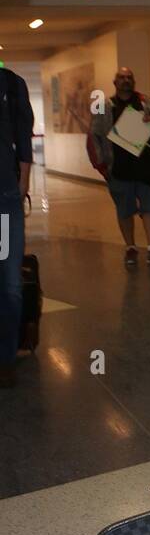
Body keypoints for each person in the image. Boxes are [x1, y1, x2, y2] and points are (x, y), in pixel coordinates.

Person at [87, 67, 150, 267]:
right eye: (121, 78)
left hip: (146, 166)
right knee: (125, 209)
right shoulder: (105, 107)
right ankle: (130, 247)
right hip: (119, 168)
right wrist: (102, 167)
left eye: (129, 77)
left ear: (134, 81)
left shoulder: (146, 103)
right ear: (115, 82)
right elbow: (94, 138)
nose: (126, 81)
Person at [0, 65, 34, 388]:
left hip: (4, 202)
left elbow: (24, 138)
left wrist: (22, 184)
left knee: (8, 282)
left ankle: (5, 357)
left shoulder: (11, 84)